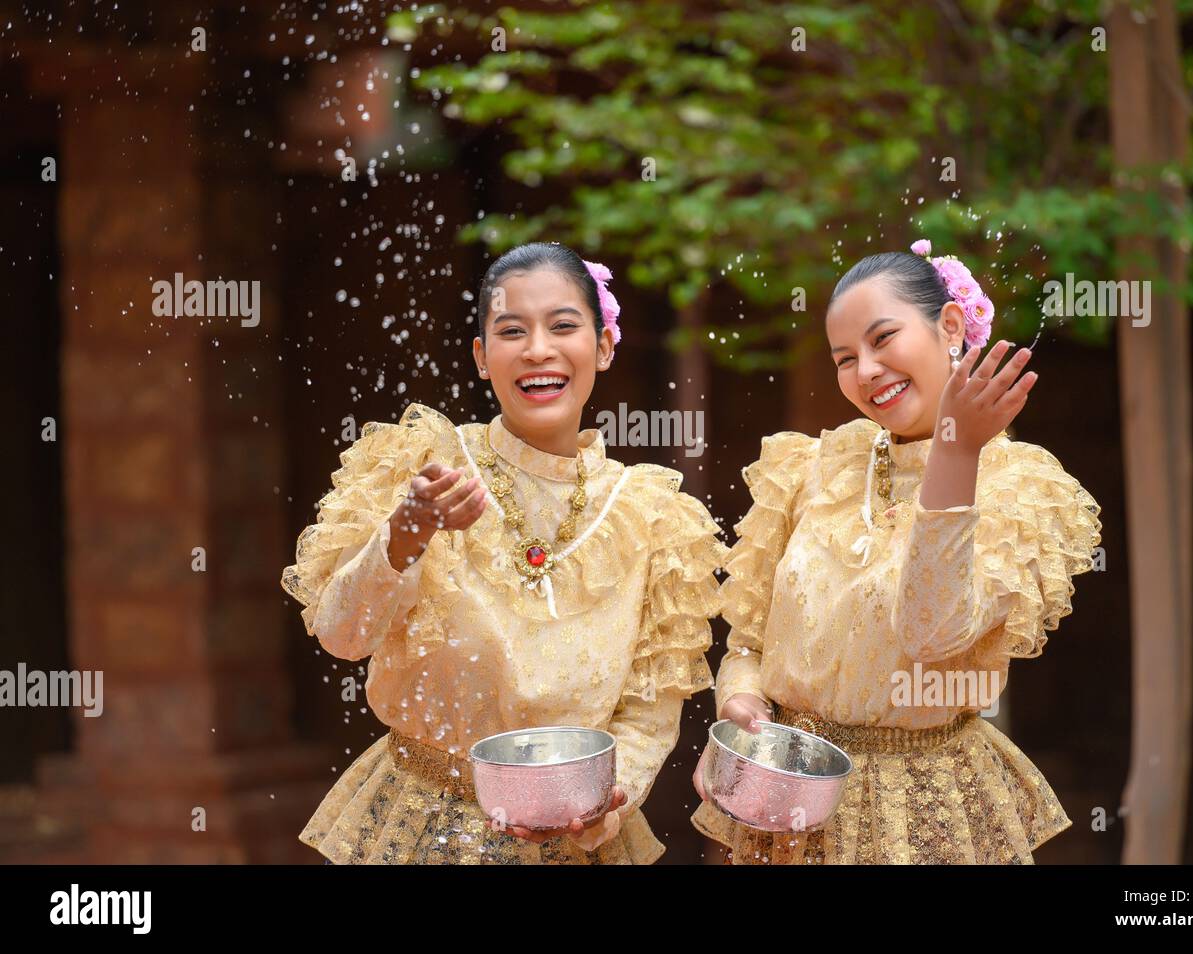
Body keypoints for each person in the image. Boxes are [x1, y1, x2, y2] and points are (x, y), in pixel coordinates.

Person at [284, 242, 725, 863]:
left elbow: (648, 714)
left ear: (603, 346)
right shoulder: (423, 466)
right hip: (420, 829)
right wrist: (409, 529)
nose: (538, 348)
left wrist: (605, 803)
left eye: (564, 326)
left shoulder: (654, 516)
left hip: (576, 840)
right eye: (511, 331)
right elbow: (341, 635)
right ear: (482, 358)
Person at [691, 239, 1102, 864]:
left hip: (928, 809)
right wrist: (740, 699)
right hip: (789, 803)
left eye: (883, 339)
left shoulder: (1022, 488)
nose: (866, 371)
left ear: (951, 327)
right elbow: (748, 640)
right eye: (844, 357)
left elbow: (932, 633)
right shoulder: (811, 466)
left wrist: (956, 451)